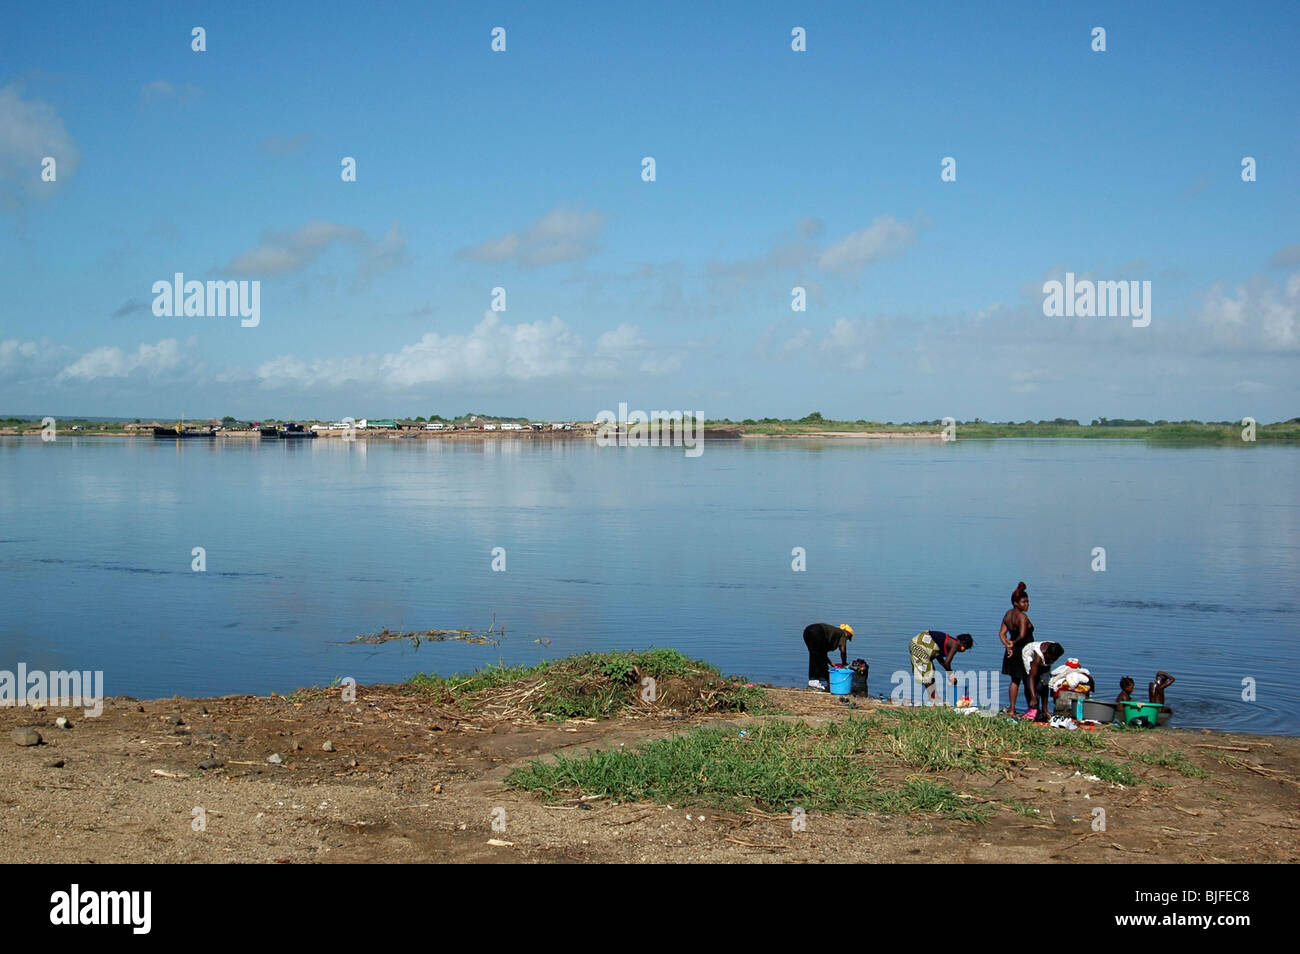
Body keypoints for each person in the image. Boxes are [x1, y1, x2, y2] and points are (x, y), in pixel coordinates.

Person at [909, 630, 974, 703]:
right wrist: (951, 675)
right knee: (928, 673)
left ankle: (935, 697)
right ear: (963, 645)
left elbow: (940, 658)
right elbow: (947, 663)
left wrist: (951, 675)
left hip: (919, 643)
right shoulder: (955, 645)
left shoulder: (949, 643)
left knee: (931, 671)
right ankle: (933, 699)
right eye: (964, 649)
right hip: (920, 645)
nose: (962, 651)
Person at [998, 581, 1034, 713]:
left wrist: (1008, 644)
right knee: (1027, 680)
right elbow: (1023, 635)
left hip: (1012, 651)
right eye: (1024, 602)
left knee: (1014, 680)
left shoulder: (1008, 614)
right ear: (1016, 603)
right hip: (1024, 651)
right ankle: (1031, 709)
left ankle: (1012, 709)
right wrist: (1013, 643)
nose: (1027, 604)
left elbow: (1001, 633)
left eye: (1027, 602)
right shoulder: (1022, 617)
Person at [1021, 640, 1064, 721]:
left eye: (1055, 659)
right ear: (1047, 654)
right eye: (1052, 659)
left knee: (1044, 683)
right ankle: (1032, 709)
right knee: (1032, 681)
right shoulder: (1038, 656)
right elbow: (1031, 677)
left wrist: (1046, 710)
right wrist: (1033, 697)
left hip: (1045, 657)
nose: (1053, 661)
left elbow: (1045, 685)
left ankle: (1045, 710)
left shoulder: (1054, 650)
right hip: (1028, 654)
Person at [803, 623, 853, 690]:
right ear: (847, 633)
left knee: (814, 656)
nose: (847, 639)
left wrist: (831, 663)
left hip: (807, 631)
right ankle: (817, 682)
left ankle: (814, 680)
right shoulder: (842, 634)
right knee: (819, 659)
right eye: (849, 637)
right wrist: (844, 663)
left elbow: (823, 654)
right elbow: (843, 651)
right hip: (817, 632)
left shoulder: (833, 634)